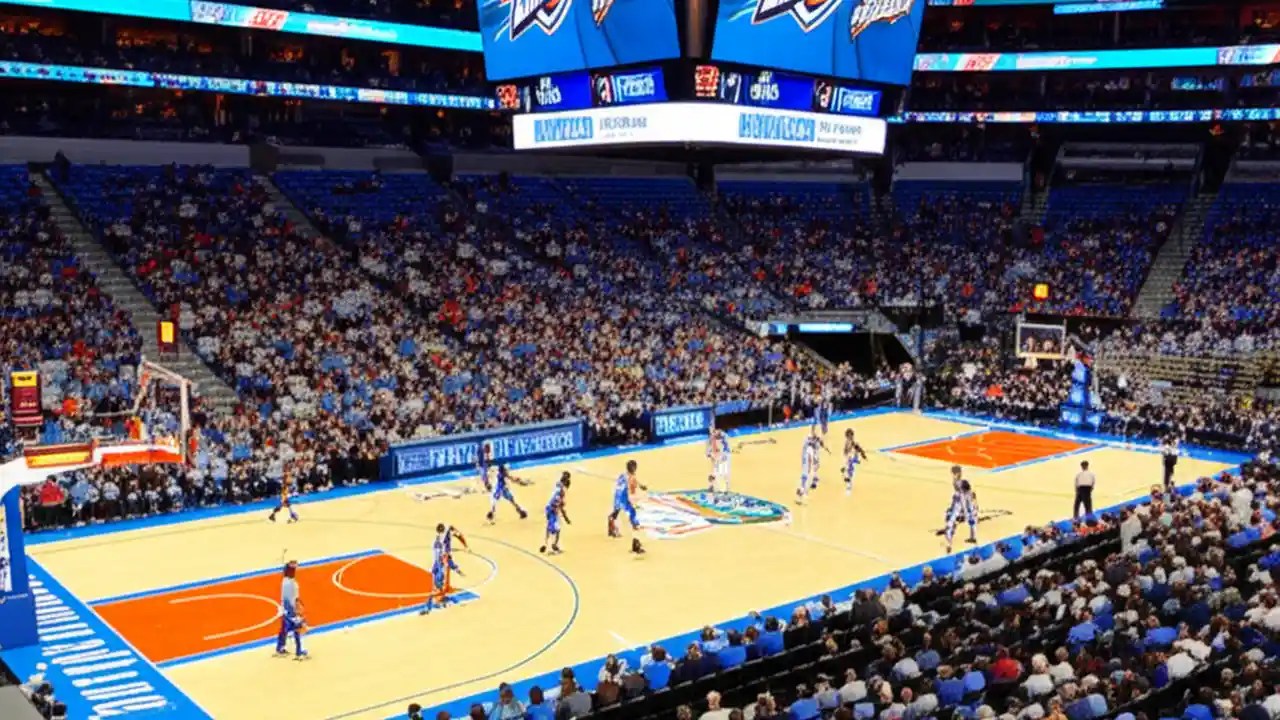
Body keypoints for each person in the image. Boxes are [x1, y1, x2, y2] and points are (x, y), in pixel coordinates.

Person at [608, 460, 647, 554]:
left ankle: (611, 528)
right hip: (625, 502)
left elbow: (620, 488)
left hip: (617, 500)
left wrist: (641, 486)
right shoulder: (631, 478)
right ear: (634, 468)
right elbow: (631, 492)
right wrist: (634, 504)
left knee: (618, 516)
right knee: (635, 524)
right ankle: (636, 546)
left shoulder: (623, 475)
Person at [274, 560, 308, 658]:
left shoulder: (284, 582)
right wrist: (297, 611)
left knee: (284, 630)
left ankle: (280, 647)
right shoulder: (293, 584)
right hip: (291, 610)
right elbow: (294, 599)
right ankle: (299, 651)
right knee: (297, 629)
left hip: (285, 610)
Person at [943, 465, 978, 553]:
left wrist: (965, 510)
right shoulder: (963, 483)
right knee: (971, 519)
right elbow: (971, 494)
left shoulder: (958, 483)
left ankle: (949, 543)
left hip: (960, 504)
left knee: (951, 521)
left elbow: (963, 496)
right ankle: (972, 537)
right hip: (965, 503)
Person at [540, 472, 571, 555]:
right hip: (553, 509)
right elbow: (560, 506)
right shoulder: (562, 492)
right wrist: (566, 518)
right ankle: (554, 544)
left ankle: (545, 543)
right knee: (557, 529)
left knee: (549, 526)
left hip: (548, 507)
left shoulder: (557, 485)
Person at [796, 428, 827, 504]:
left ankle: (802, 494)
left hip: (807, 464)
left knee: (805, 479)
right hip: (808, 465)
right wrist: (810, 467)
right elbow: (810, 458)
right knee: (806, 480)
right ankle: (802, 494)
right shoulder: (809, 447)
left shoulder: (809, 445)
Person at [842, 429, 868, 495]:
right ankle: (848, 483)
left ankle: (849, 486)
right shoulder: (847, 442)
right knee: (847, 472)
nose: (850, 437)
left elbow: (859, 449)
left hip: (853, 458)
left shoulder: (854, 442)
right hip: (849, 458)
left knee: (849, 472)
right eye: (848, 436)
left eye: (851, 435)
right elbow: (845, 452)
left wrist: (863, 454)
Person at [707, 427, 731, 494]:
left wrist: (715, 455)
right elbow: (711, 447)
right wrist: (710, 454)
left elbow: (720, 448)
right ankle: (712, 486)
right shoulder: (713, 438)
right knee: (715, 472)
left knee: (722, 473)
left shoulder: (722, 436)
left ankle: (725, 489)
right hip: (718, 456)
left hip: (723, 455)